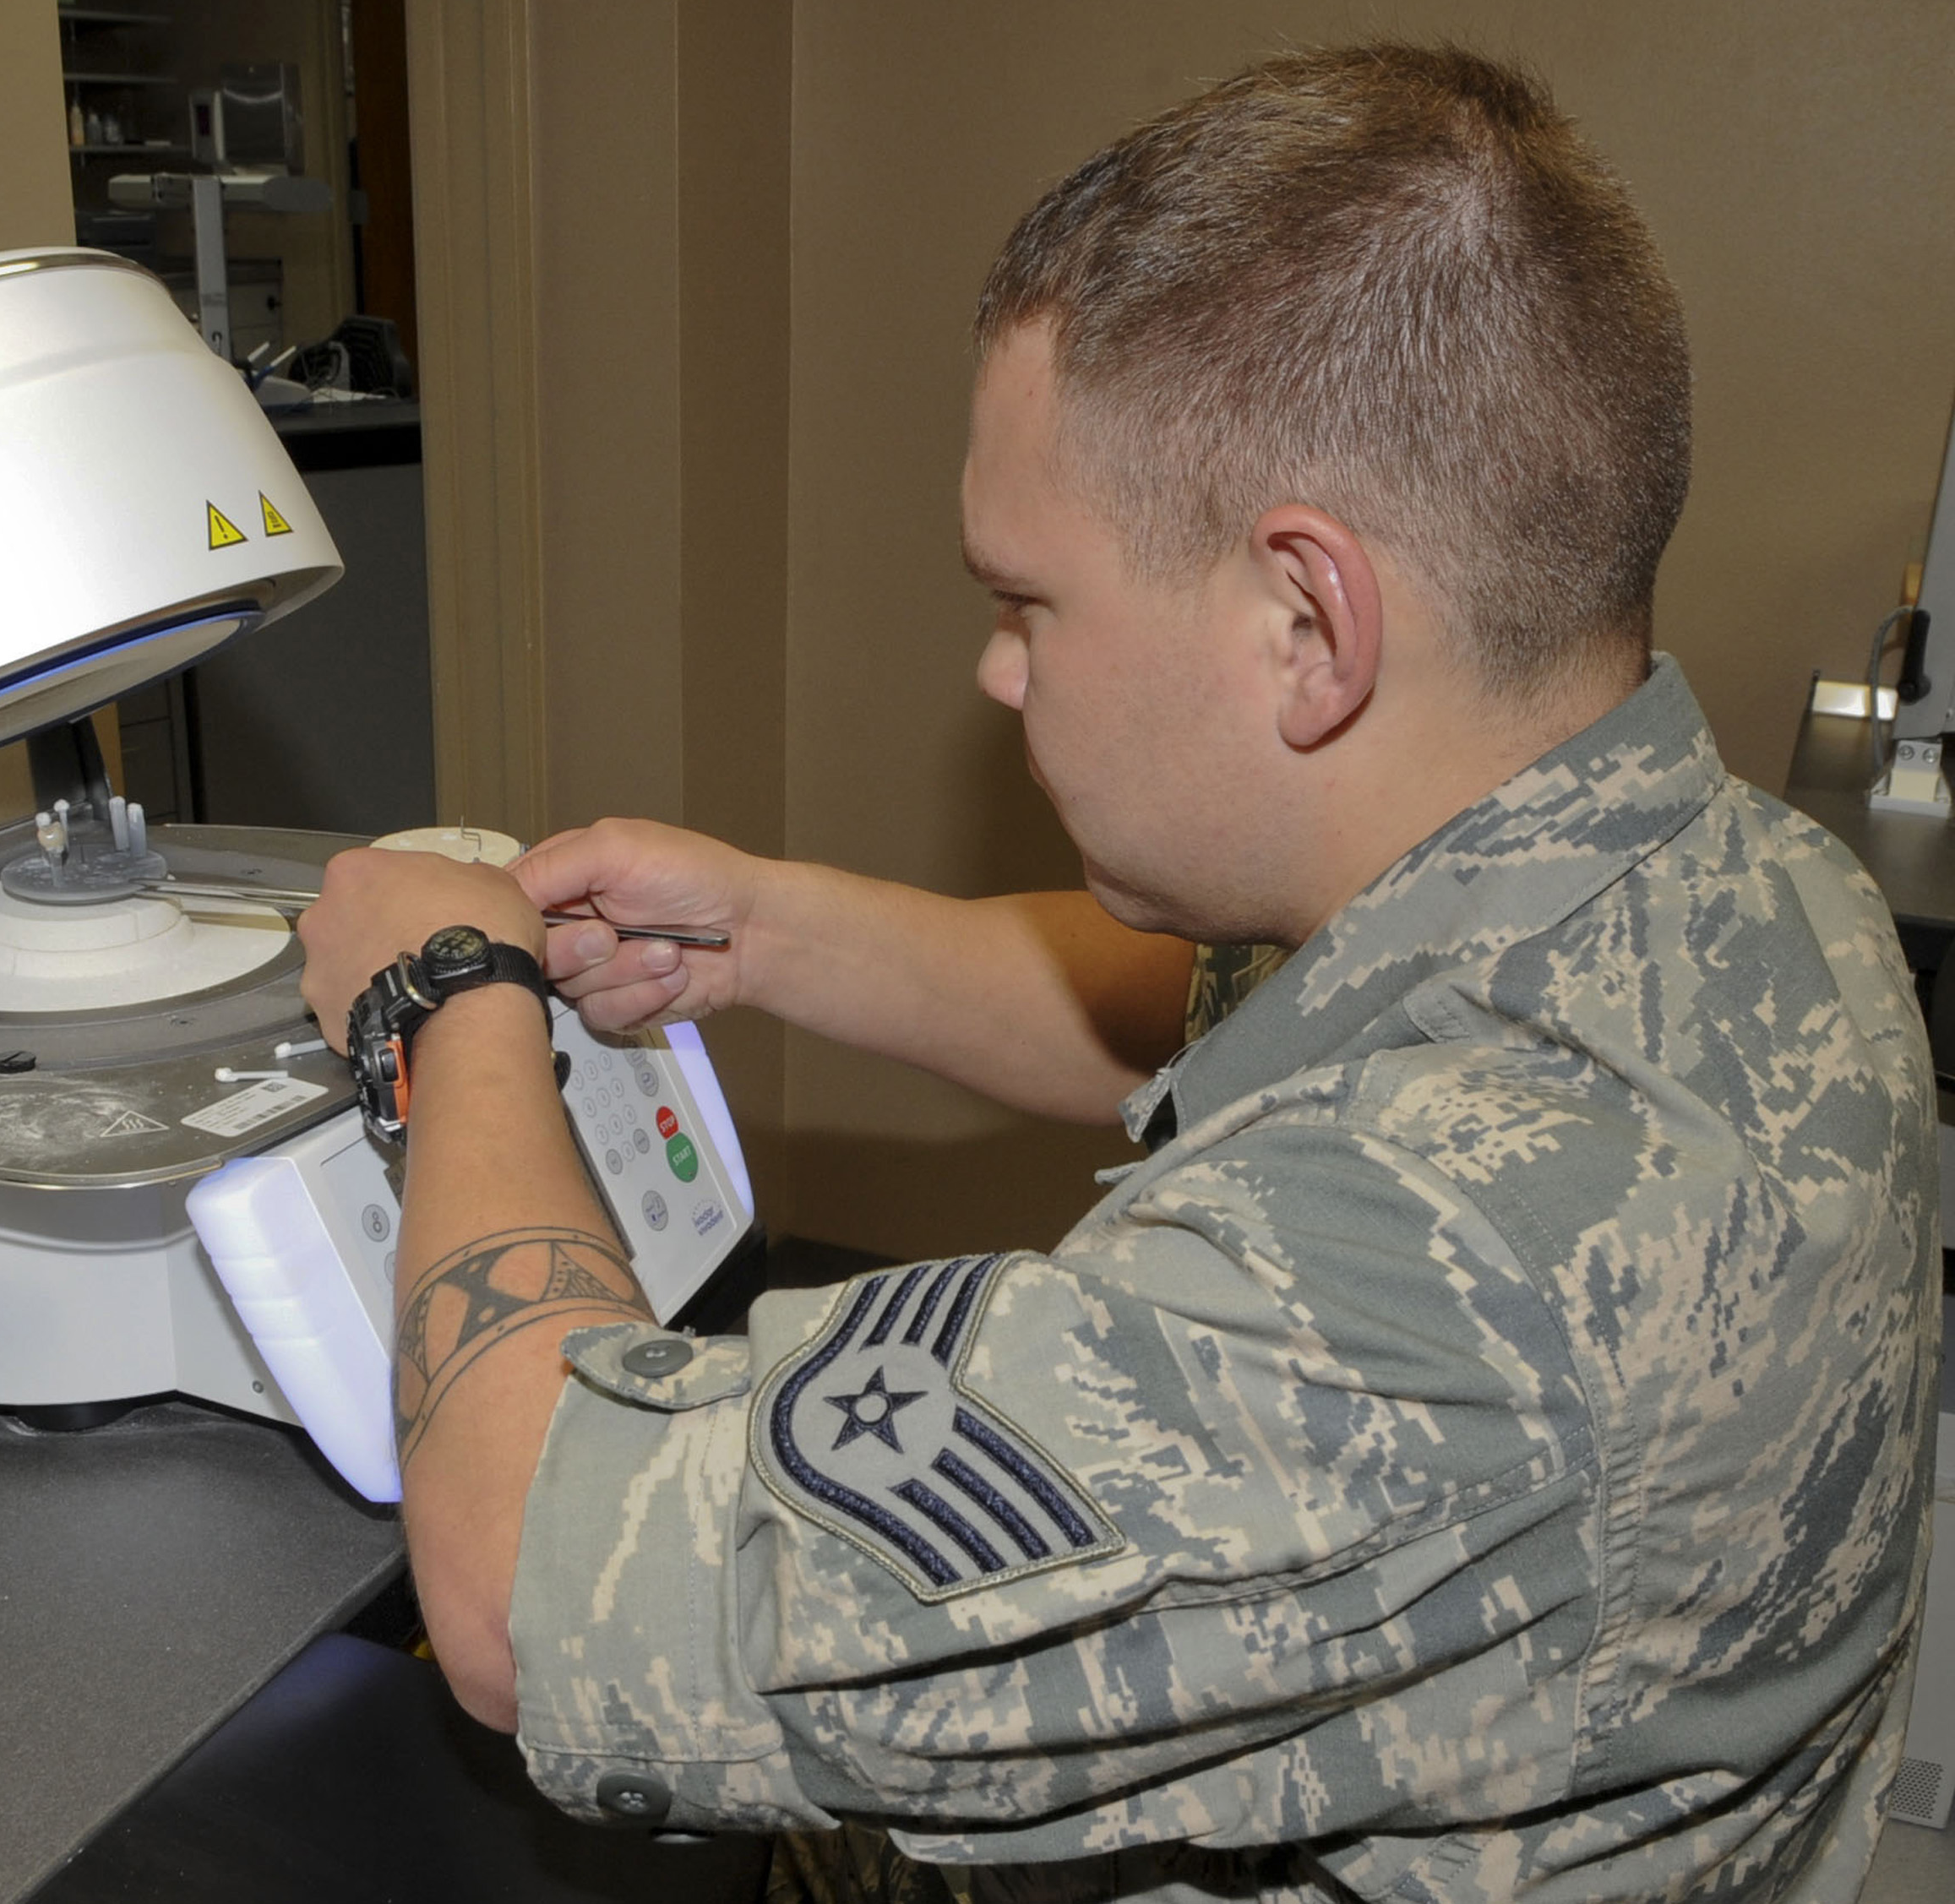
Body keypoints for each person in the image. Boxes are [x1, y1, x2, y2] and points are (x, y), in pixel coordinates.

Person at [295, 43, 1941, 1903]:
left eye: (1028, 602)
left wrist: (449, 991)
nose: (999, 673)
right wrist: (764, 927)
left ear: (1307, 620)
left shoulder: (1414, 1289)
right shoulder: (1747, 883)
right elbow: (1229, 1010)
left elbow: (525, 1582)